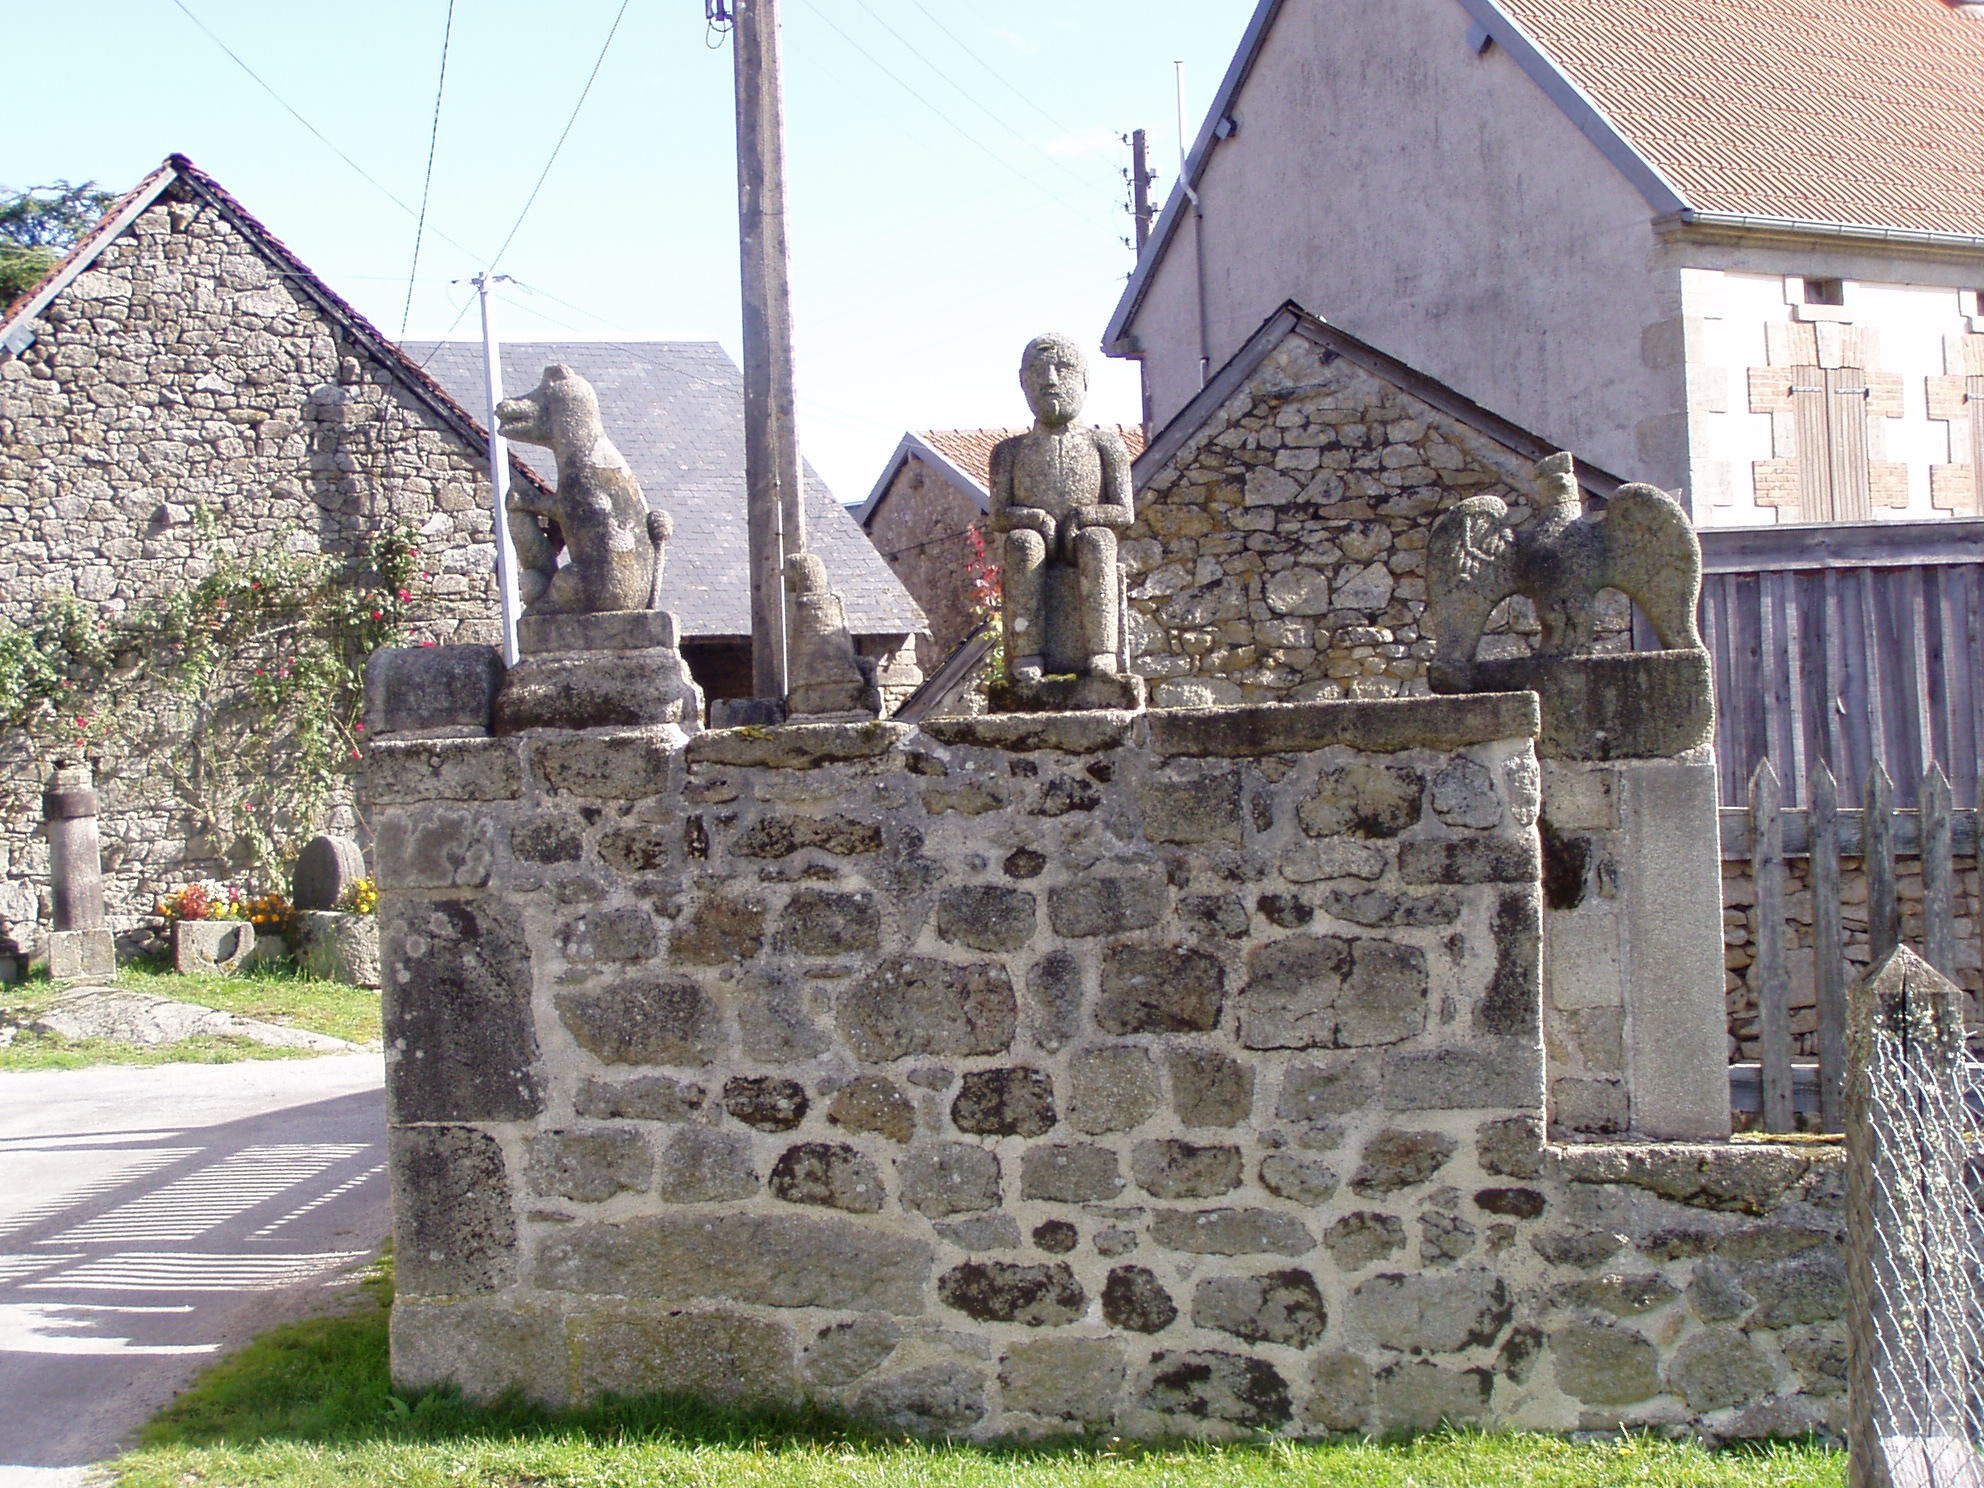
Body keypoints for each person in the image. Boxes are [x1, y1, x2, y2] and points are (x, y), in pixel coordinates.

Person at [987, 334, 1135, 682]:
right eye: (1039, 372)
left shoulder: (1105, 445)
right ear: (1024, 382)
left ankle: (1102, 652)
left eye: (1063, 369)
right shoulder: (1008, 452)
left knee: (1098, 542)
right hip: (1038, 539)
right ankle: (1028, 654)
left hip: (1081, 536)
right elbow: (999, 515)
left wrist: (1083, 517)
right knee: (1021, 544)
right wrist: (1035, 519)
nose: (1050, 380)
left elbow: (1123, 511)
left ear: (1083, 379)